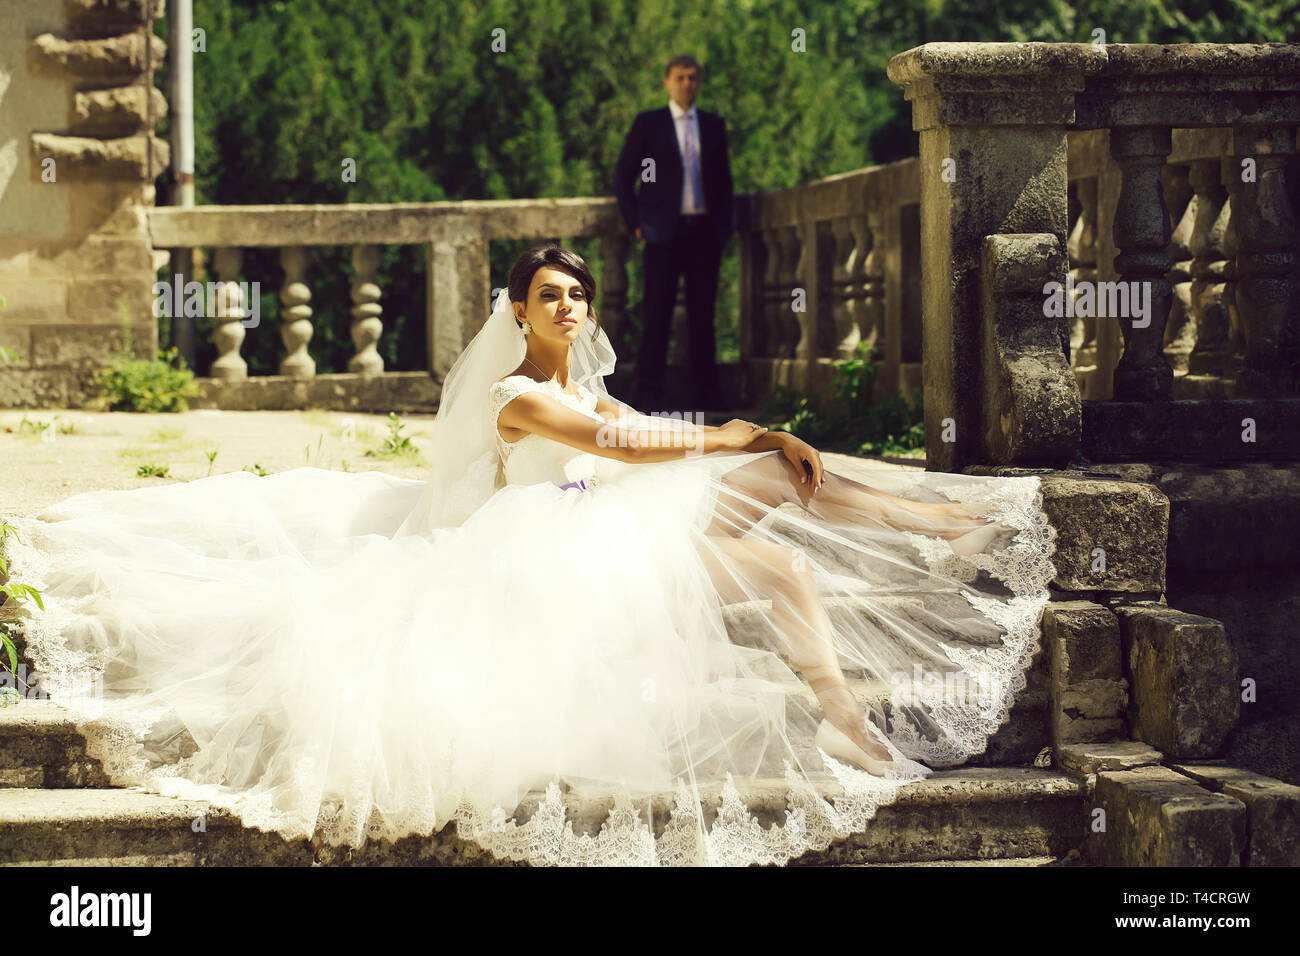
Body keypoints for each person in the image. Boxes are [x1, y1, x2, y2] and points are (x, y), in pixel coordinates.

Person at [2, 244, 1056, 867]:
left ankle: (940, 534)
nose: (565, 306)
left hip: (609, 537)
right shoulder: (517, 396)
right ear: (516, 311)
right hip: (542, 565)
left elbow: (635, 431)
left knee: (785, 485)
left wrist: (746, 444)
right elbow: (615, 447)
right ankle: (859, 724)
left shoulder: (590, 385)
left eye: (576, 295)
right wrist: (732, 432)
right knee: (776, 547)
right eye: (547, 295)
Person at [614, 54, 733, 411]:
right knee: (657, 314)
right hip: (661, 234)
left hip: (704, 234)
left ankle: (707, 397)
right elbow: (623, 177)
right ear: (667, 82)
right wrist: (636, 222)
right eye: (680, 78)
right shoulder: (648, 123)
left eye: (693, 78)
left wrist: (723, 227)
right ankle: (648, 396)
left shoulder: (713, 125)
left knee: (702, 315)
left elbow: (724, 181)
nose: (687, 84)